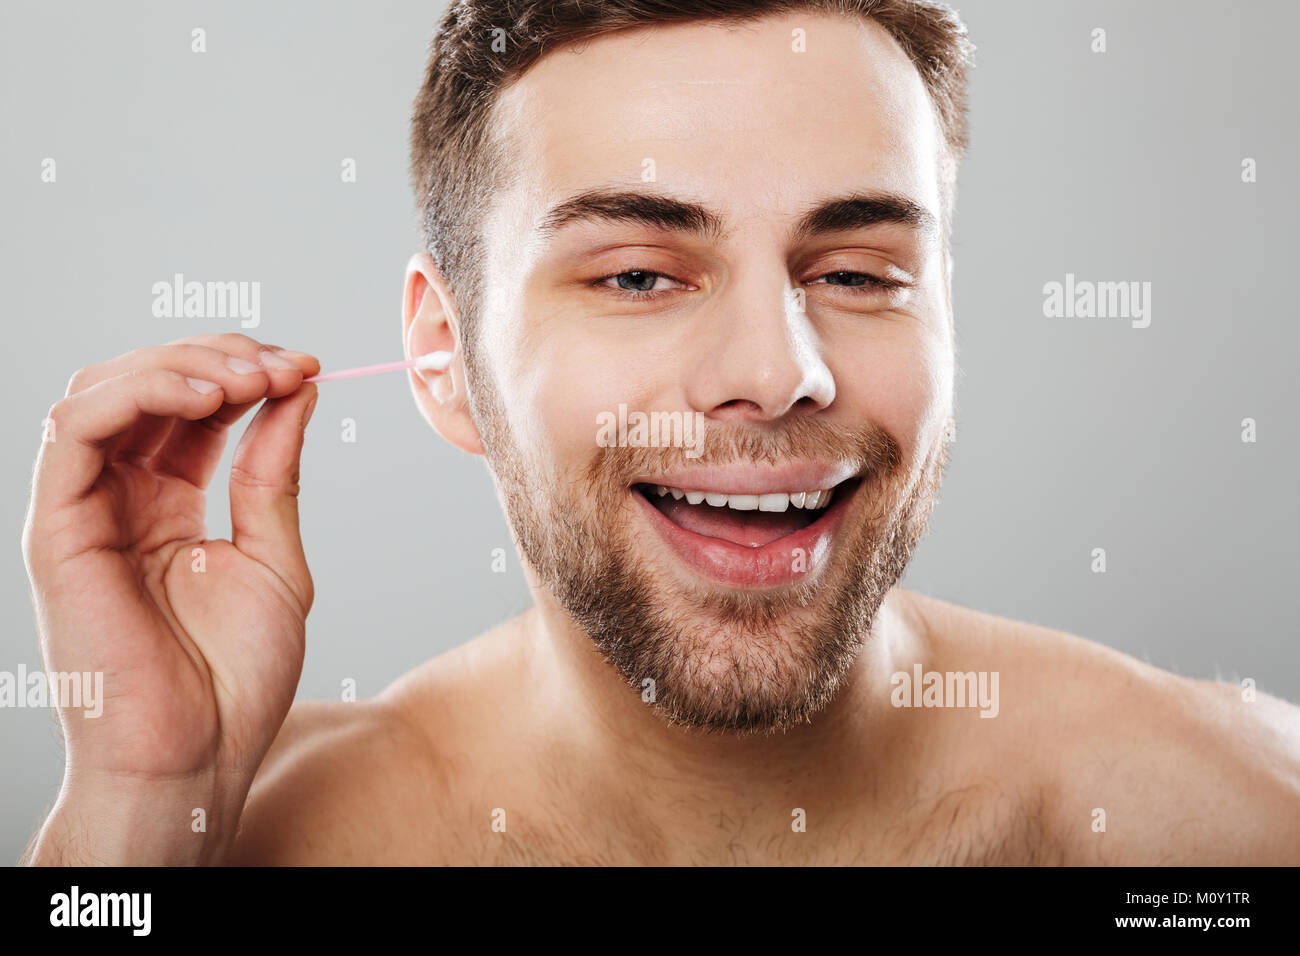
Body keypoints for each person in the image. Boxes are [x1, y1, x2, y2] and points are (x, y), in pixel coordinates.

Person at [22, 0, 1300, 866]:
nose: (777, 371)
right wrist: (138, 802)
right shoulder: (252, 839)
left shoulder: (1217, 816)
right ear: (444, 360)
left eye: (857, 272)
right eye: (639, 275)